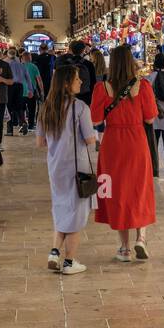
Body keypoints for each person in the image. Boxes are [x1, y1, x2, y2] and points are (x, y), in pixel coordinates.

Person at [91, 45, 159, 263]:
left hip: (112, 144)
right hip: (137, 142)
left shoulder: (102, 88)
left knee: (116, 192)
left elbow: (96, 120)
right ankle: (141, 237)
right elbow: (150, 118)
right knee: (140, 188)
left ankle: (124, 248)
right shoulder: (144, 86)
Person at [37, 64, 98, 275]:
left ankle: (54, 252)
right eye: (77, 79)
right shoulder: (80, 107)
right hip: (77, 167)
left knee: (62, 209)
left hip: (55, 166)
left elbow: (40, 142)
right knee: (76, 215)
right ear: (66, 83)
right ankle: (70, 262)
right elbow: (90, 139)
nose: (81, 82)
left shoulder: (46, 107)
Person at [58, 40, 96, 107]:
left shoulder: (65, 63)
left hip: (69, 95)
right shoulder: (89, 64)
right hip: (86, 95)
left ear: (71, 50)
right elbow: (93, 82)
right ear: (83, 50)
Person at [20, 50, 44, 131]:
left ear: (22, 58)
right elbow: (39, 80)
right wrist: (42, 91)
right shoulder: (34, 67)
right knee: (32, 109)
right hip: (31, 91)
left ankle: (22, 123)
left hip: (21, 91)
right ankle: (30, 125)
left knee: (21, 109)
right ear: (30, 58)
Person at [5, 47, 27, 135]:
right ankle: (23, 123)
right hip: (20, 86)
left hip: (10, 85)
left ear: (8, 54)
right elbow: (26, 76)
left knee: (9, 107)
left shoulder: (6, 62)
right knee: (19, 107)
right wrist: (30, 89)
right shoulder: (20, 62)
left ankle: (9, 130)